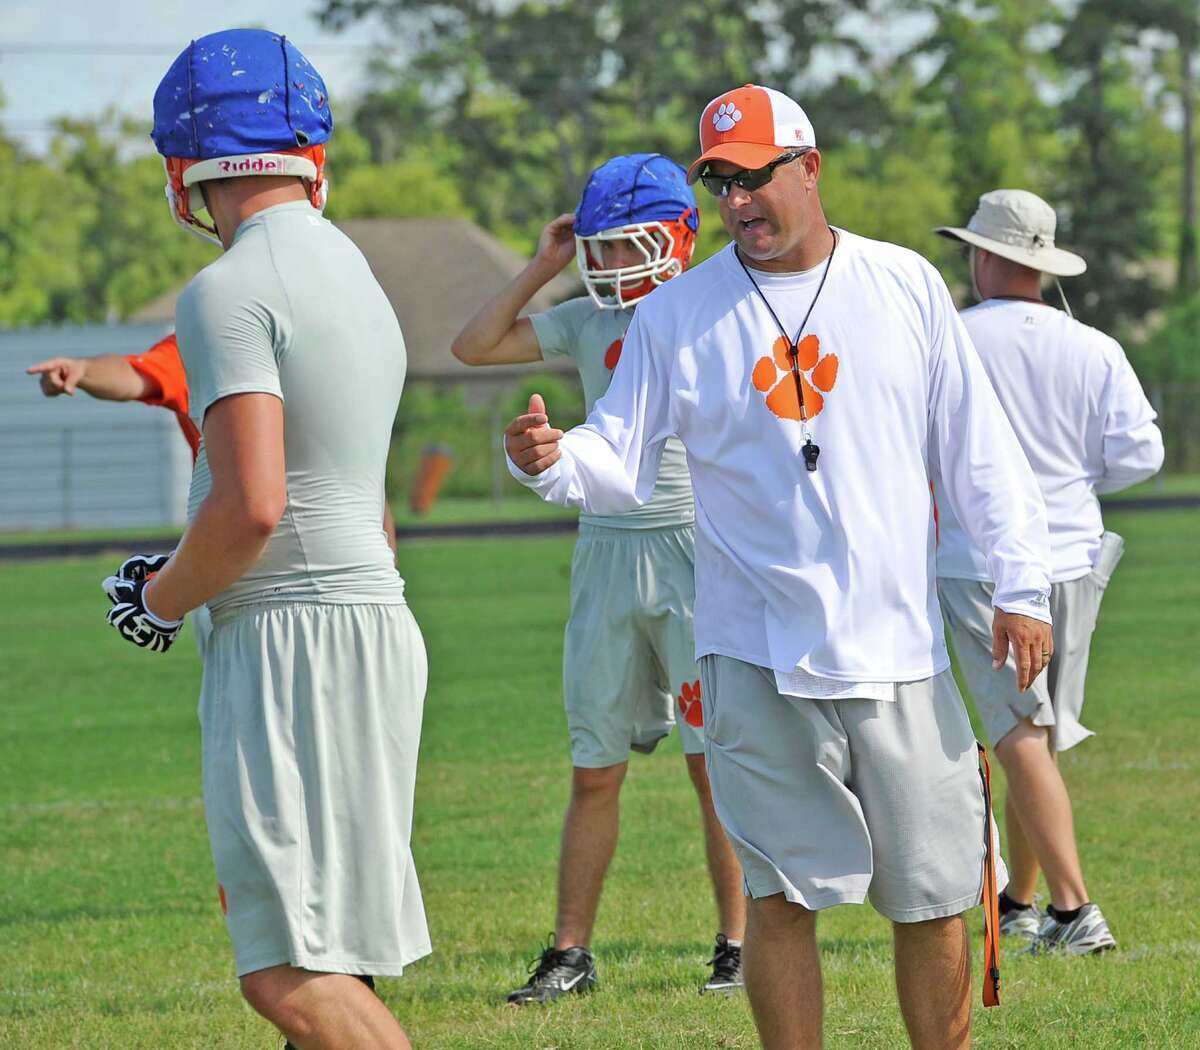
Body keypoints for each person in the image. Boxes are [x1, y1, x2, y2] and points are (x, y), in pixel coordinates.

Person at [503, 83, 1055, 1050]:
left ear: (809, 166)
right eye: (721, 184)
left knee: (932, 897)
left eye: (754, 177)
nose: (739, 202)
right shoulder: (679, 312)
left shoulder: (905, 283)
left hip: (898, 652)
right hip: (751, 657)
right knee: (780, 898)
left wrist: (1020, 586)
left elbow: (977, 452)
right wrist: (554, 461)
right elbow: (619, 457)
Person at [101, 29, 426, 1050]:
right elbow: (352, 495)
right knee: (335, 950)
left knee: (287, 969)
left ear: (185, 166)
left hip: (292, 636)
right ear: (309, 149)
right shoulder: (353, 267)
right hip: (368, 615)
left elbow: (251, 504)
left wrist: (158, 600)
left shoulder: (228, 289)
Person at [452, 153, 747, 1001]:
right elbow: (472, 346)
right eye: (601, 250)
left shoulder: (713, 309)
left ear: (680, 240)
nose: (615, 267)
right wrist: (543, 265)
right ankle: (570, 954)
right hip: (609, 552)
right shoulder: (584, 319)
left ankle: (739, 941)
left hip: (700, 551)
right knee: (593, 767)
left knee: (714, 762)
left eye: (632, 247)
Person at [933, 189, 1164, 954]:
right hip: (1076, 554)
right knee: (1043, 734)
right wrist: (1069, 476)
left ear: (988, 254)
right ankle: (1022, 901)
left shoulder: (955, 340)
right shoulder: (1092, 345)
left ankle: (1073, 911)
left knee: (1019, 734)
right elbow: (1142, 454)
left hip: (982, 561)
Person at [29, 337, 398, 657]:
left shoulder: (234, 326)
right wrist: (83, 370)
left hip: (280, 579)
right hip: (300, 582)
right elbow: (136, 374)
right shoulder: (219, 332)